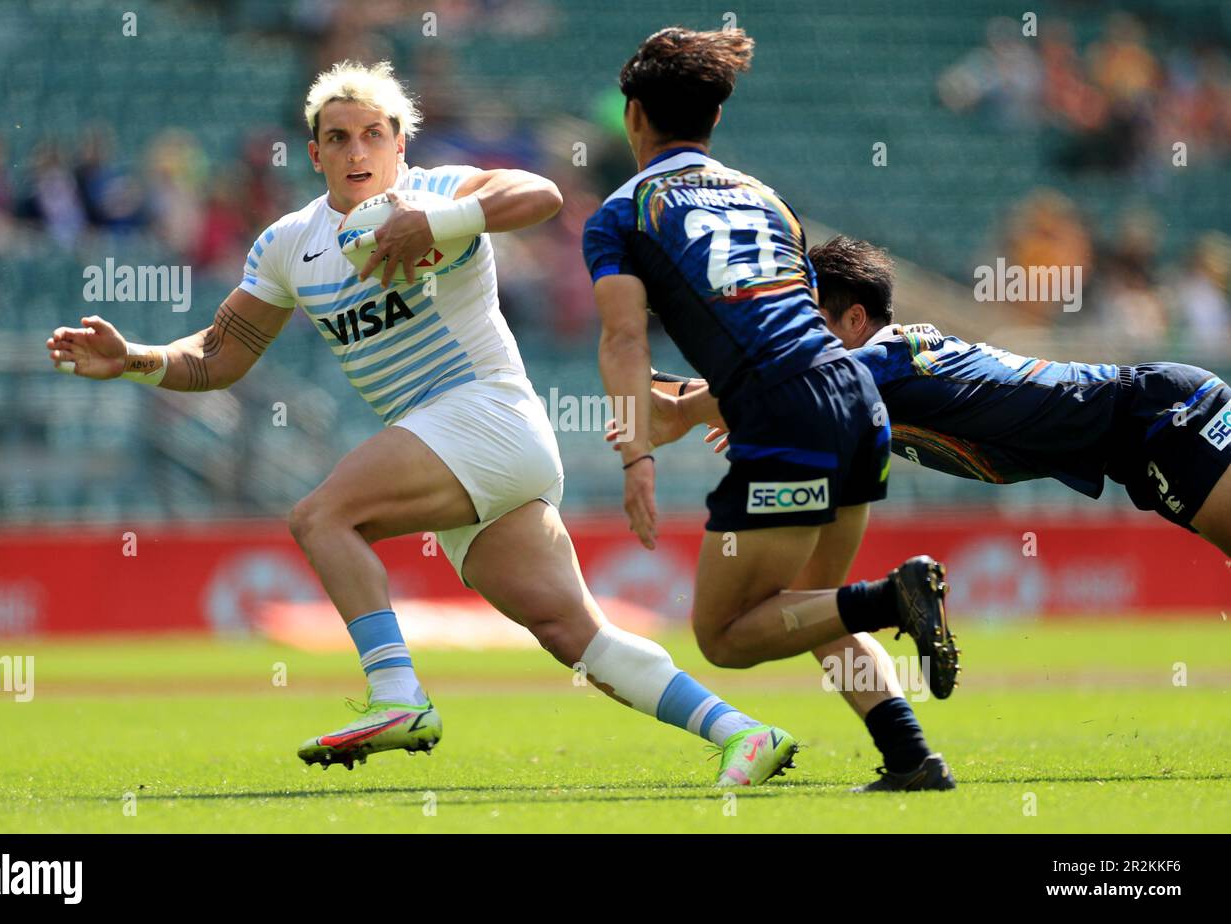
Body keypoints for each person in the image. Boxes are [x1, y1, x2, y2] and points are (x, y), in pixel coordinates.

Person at [45, 59, 798, 787]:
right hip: (465, 451)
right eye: (337, 138)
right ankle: (743, 731)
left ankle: (399, 697)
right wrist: (137, 357)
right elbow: (219, 355)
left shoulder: (434, 192)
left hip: (487, 414)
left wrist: (439, 219)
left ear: (400, 143)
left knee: (321, 516)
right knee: (577, 636)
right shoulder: (286, 245)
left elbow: (538, 194)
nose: (357, 150)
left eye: (373, 133)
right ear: (315, 154)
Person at [584, 28, 958, 792]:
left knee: (724, 636)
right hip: (856, 399)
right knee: (817, 606)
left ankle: (896, 596)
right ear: (715, 120)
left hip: (789, 412)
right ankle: (913, 758)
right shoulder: (771, 201)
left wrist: (636, 455)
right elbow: (782, 323)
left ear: (632, 117)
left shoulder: (623, 214)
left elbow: (624, 335)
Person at [671, 234, 1231, 557]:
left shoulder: (886, 361)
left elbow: (791, 392)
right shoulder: (871, 385)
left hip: (1162, 413)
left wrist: (682, 406)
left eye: (807, 320)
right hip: (1134, 449)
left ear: (856, 319)